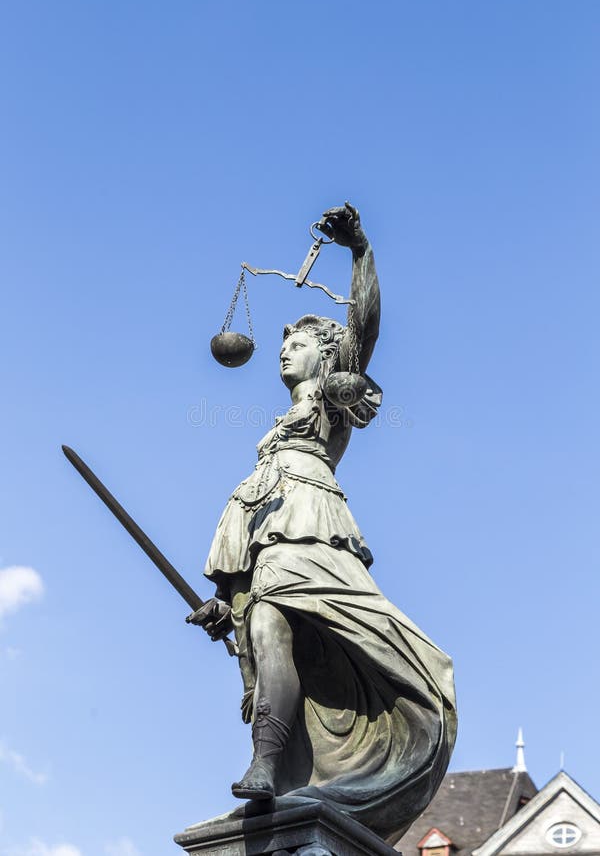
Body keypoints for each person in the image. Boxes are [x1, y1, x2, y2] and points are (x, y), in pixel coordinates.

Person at [189, 204, 457, 841]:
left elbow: (365, 327)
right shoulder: (272, 435)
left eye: (298, 344)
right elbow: (252, 522)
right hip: (266, 543)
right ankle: (266, 764)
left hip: (314, 531)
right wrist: (224, 596)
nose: (284, 353)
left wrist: (360, 251)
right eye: (283, 345)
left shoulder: (335, 397)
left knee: (274, 625)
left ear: (327, 355)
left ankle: (274, 761)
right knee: (264, 629)